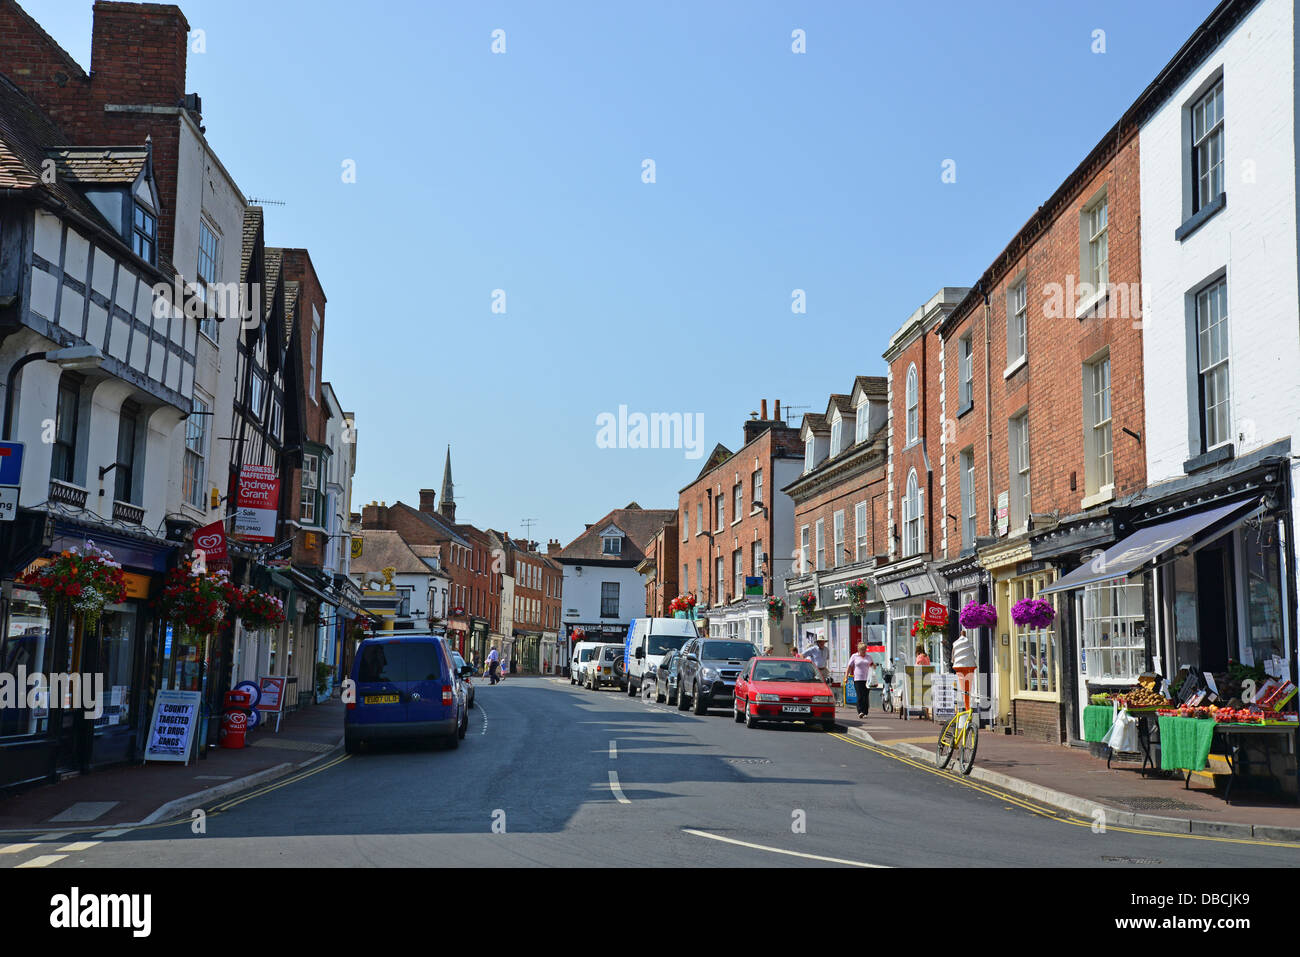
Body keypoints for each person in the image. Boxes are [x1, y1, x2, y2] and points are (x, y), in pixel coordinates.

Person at [846, 642, 876, 718]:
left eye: (865, 649)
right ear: (859, 649)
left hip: (867, 679)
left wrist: (873, 665)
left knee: (866, 696)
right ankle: (860, 711)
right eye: (862, 649)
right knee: (860, 696)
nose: (864, 651)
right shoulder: (854, 656)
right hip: (857, 679)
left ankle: (865, 712)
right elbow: (849, 667)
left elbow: (873, 666)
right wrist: (846, 677)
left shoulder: (868, 657)